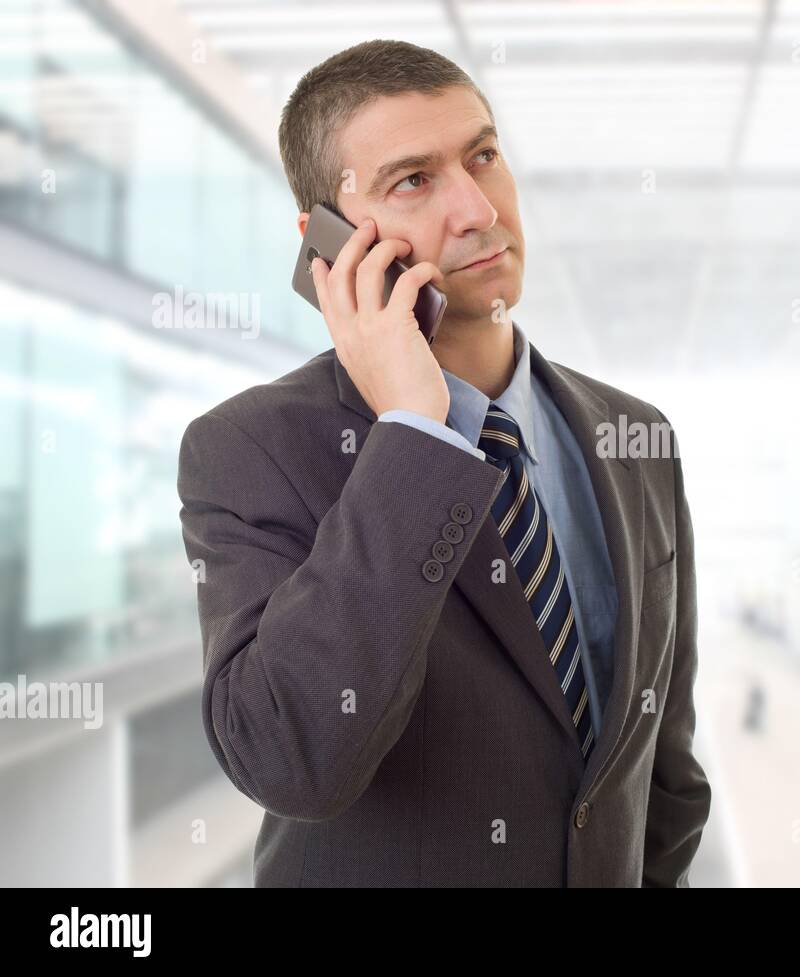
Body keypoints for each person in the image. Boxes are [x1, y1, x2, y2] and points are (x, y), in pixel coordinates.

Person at [176, 39, 710, 887]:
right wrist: (414, 437)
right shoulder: (251, 450)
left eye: (484, 156)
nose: (477, 208)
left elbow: (666, 770)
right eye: (414, 180)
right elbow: (289, 758)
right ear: (330, 239)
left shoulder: (635, 436)